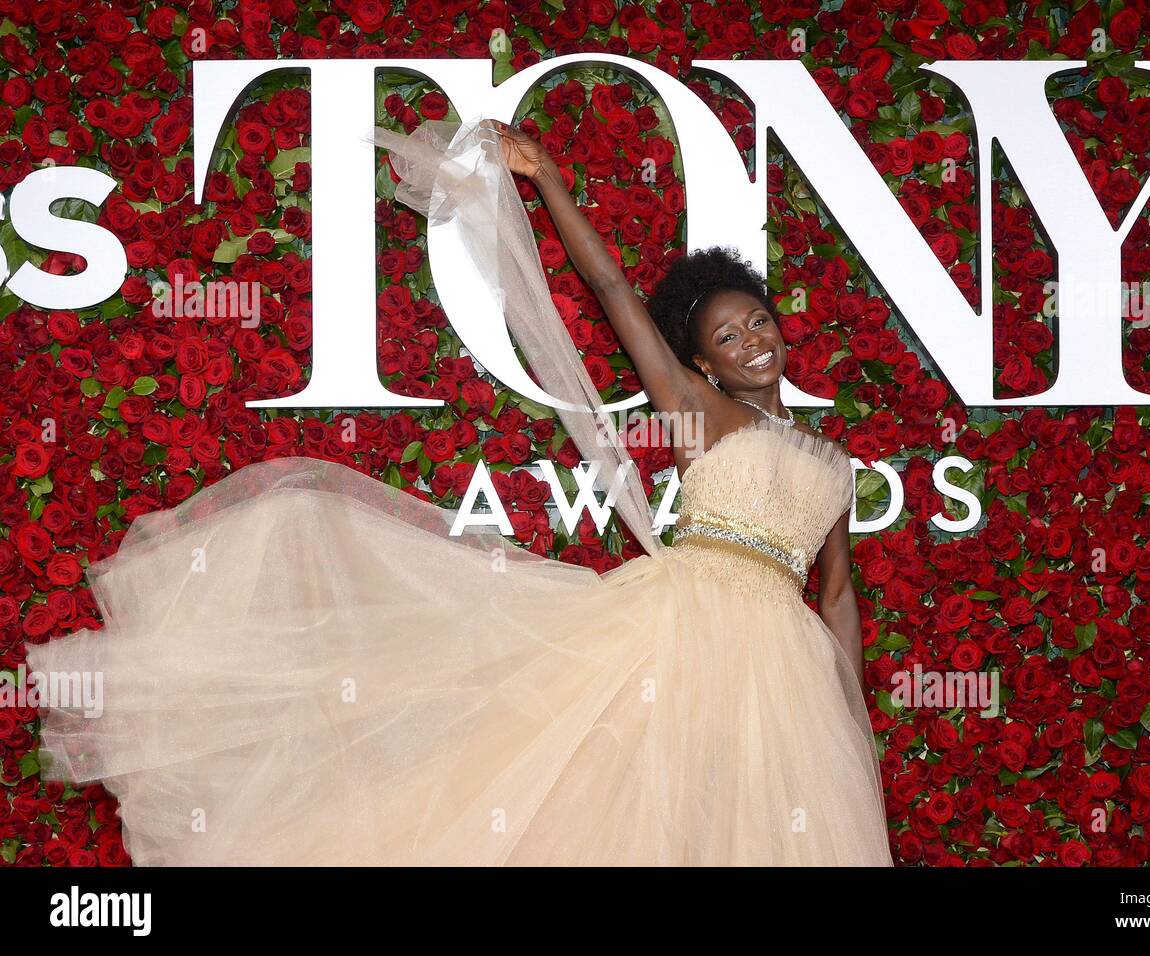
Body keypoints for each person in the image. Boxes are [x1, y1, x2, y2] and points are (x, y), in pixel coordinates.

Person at [25, 116, 893, 866]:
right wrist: (547, 178)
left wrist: (848, 725)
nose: (751, 343)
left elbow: (841, 595)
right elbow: (610, 289)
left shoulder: (832, 461)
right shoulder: (693, 406)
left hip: (786, 674)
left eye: (759, 323)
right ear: (701, 360)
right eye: (726, 336)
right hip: (681, 629)